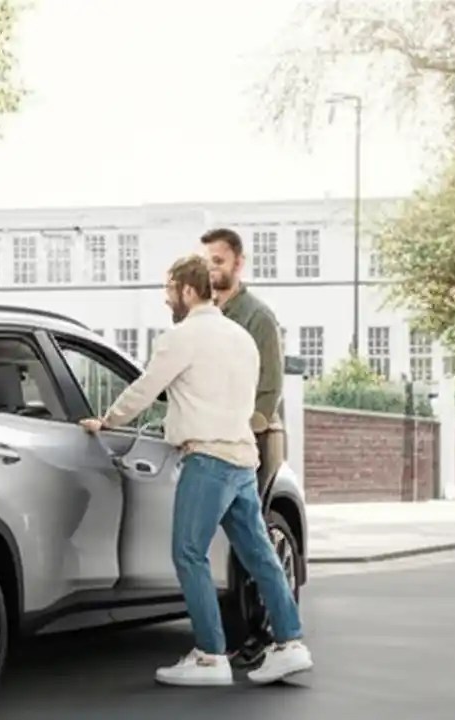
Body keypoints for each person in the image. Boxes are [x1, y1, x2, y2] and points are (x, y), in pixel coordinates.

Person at [78, 254, 312, 687]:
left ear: (187, 290)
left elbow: (145, 389)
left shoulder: (180, 337)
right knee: (259, 555)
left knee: (189, 553)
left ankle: (209, 655)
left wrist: (107, 421)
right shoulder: (241, 338)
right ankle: (290, 642)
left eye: (169, 290)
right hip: (243, 459)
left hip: (206, 460)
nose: (167, 299)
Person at [199, 227, 287, 666]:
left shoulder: (258, 318)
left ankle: (263, 632)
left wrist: (241, 436)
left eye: (218, 260)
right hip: (218, 441)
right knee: (234, 539)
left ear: (238, 263)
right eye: (207, 261)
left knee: (250, 540)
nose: (212, 268)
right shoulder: (205, 316)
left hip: (254, 440)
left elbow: (269, 390)